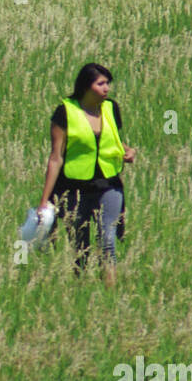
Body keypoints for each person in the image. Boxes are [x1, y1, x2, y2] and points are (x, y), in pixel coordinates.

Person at [37, 63, 136, 284]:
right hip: (74, 187)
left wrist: (128, 151)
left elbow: (113, 143)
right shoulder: (65, 111)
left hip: (109, 184)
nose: (106, 88)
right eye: (101, 83)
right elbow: (56, 158)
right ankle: (80, 292)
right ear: (86, 86)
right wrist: (44, 201)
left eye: (107, 83)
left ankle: (111, 298)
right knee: (80, 247)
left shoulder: (111, 108)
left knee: (107, 241)